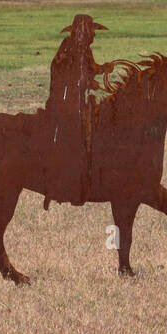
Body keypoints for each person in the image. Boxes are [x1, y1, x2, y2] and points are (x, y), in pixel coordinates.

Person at [43, 14, 114, 204]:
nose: (94, 35)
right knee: (77, 137)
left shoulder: (85, 50)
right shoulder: (68, 47)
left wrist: (103, 68)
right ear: (84, 31)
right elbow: (63, 72)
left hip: (79, 101)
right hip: (66, 104)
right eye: (91, 31)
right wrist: (86, 83)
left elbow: (90, 69)